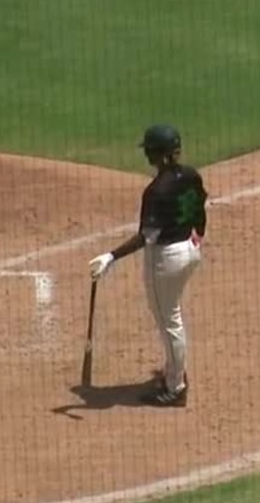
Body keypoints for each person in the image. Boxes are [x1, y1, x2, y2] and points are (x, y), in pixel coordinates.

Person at [86, 124, 208, 407]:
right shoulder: (190, 175)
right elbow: (200, 208)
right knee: (172, 316)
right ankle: (173, 374)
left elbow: (147, 236)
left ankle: (175, 387)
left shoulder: (156, 191)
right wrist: (198, 236)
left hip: (166, 259)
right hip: (190, 251)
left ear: (156, 154)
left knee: (169, 321)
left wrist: (111, 256)